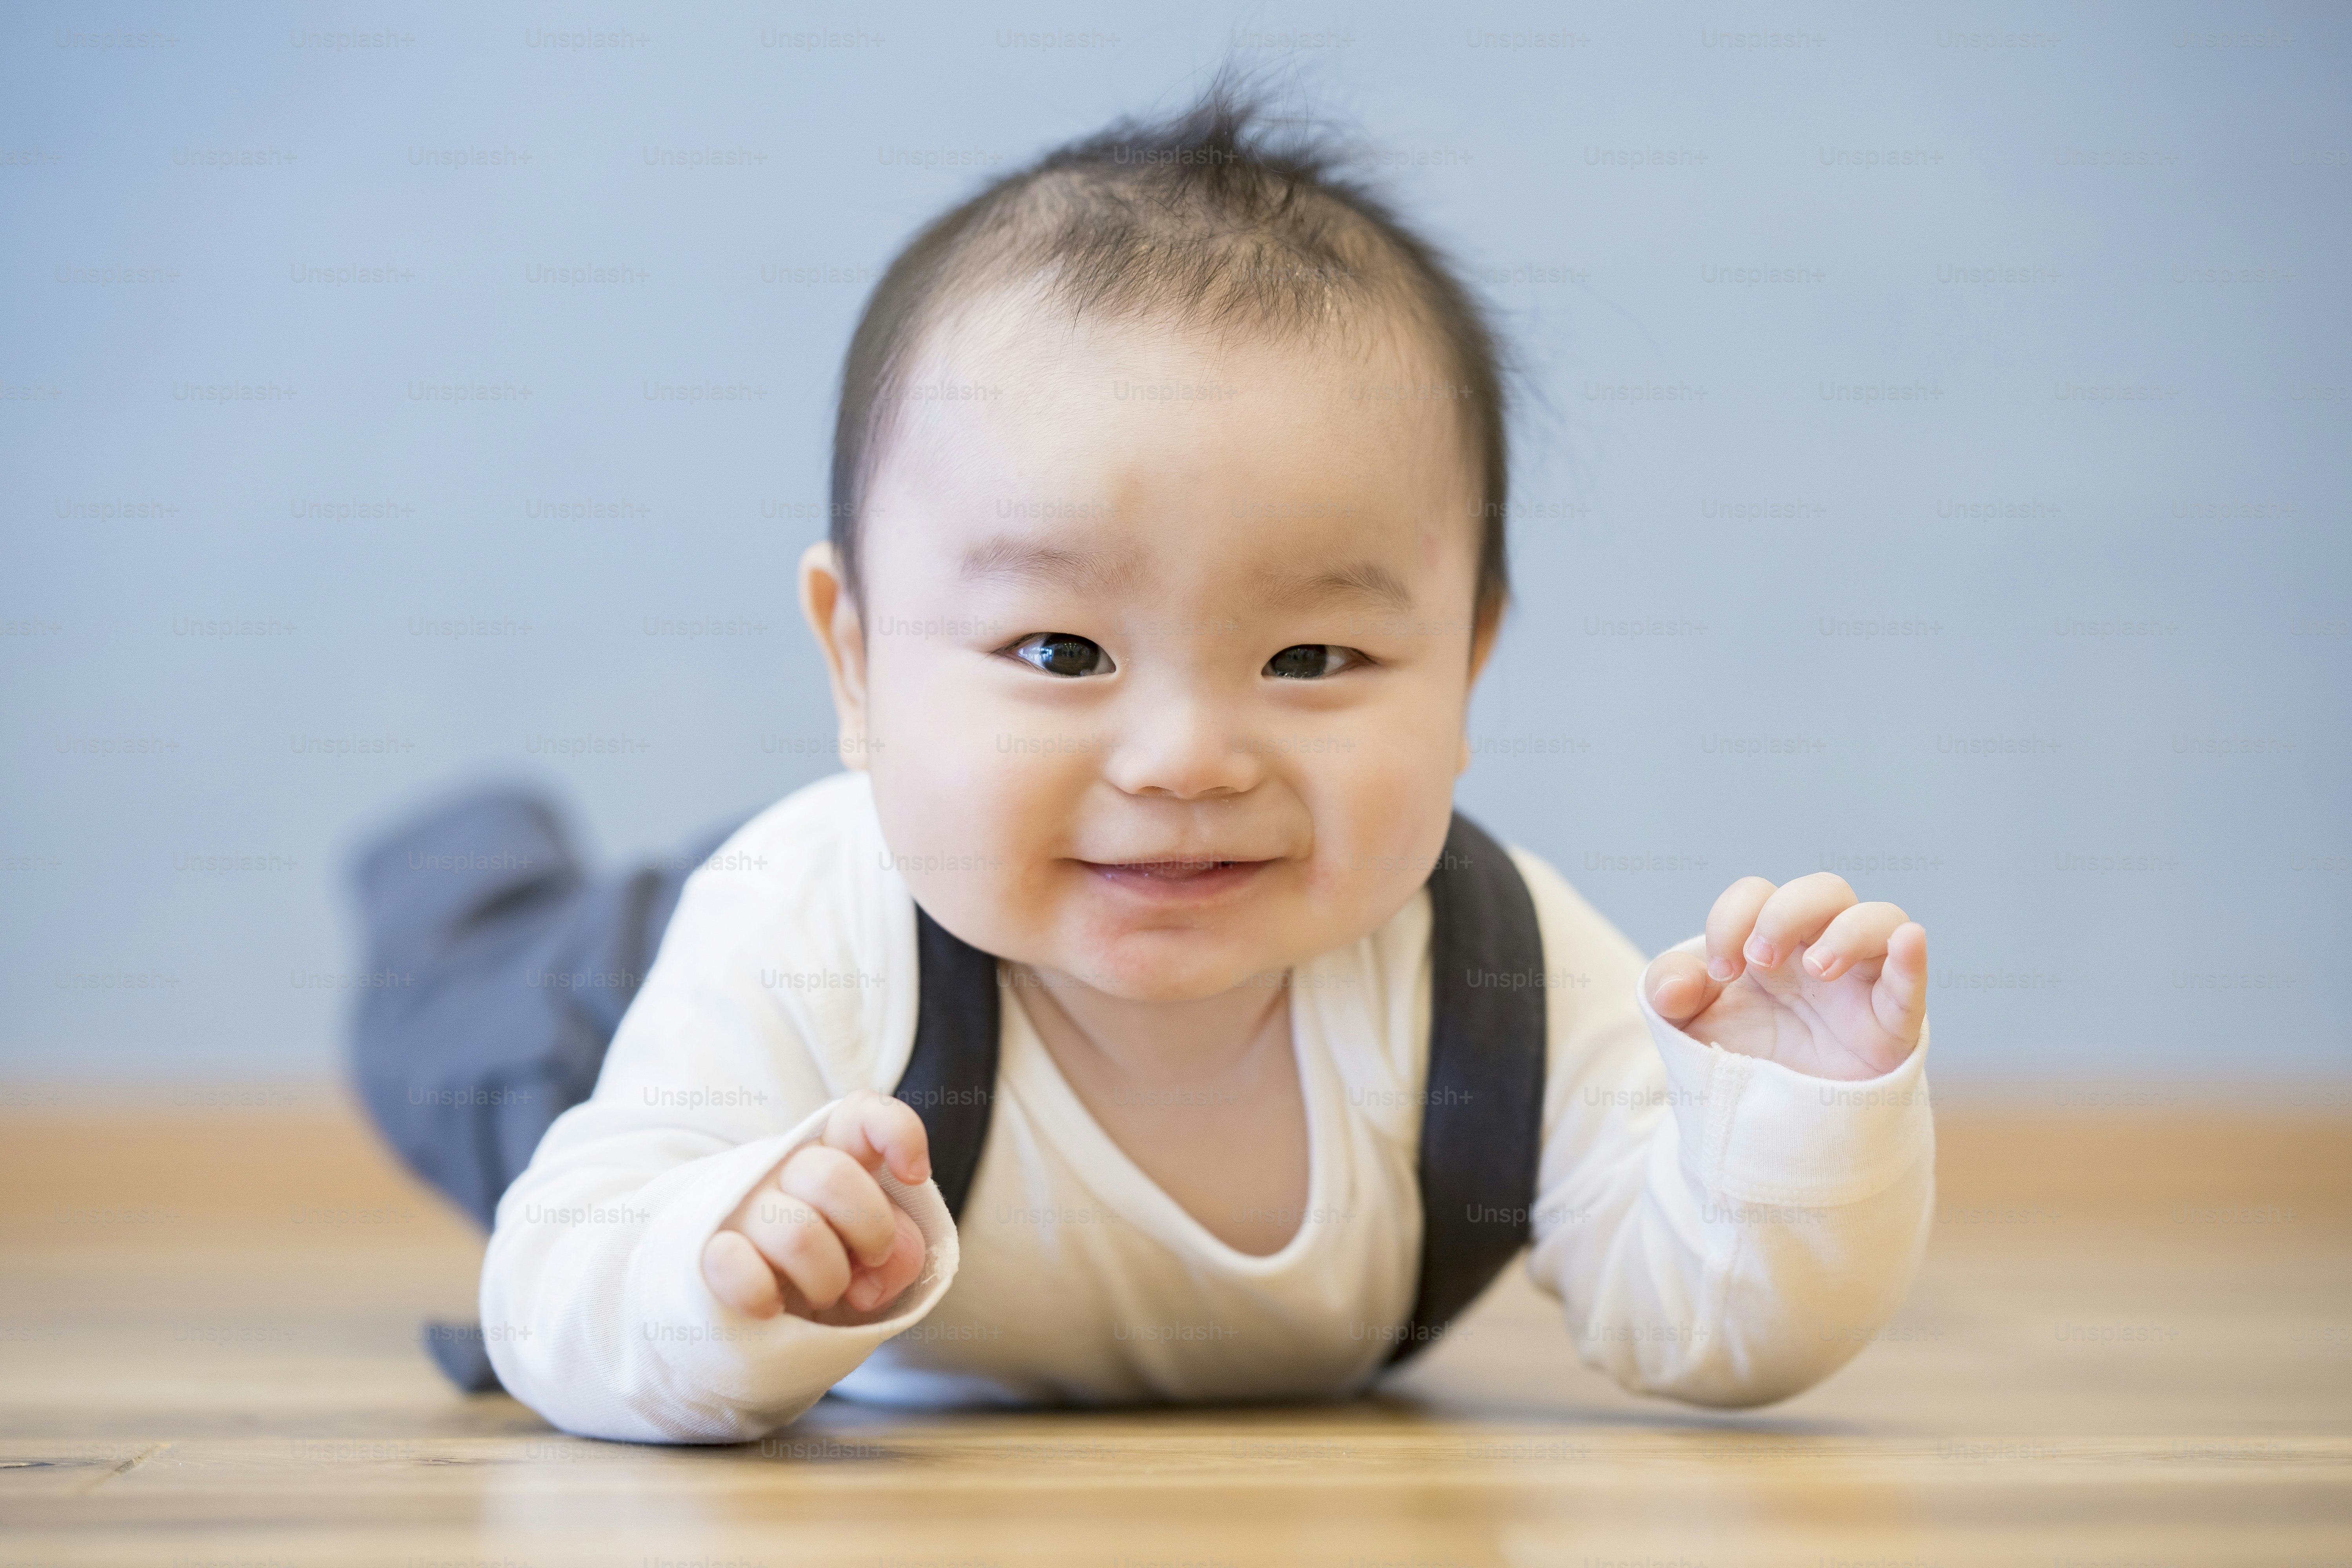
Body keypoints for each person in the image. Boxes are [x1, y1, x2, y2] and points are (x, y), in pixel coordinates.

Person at [357, 87, 1936, 1443]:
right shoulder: (795, 928)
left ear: (1471, 662)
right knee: (463, 1014)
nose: (1185, 757)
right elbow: (559, 1275)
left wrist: (1790, 1130)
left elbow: (1711, 1319)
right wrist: (711, 1265)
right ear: (856, 657)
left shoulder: (1499, 979)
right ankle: (462, 871)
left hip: (928, 884)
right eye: (1061, 654)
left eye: (1311, 659)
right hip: (640, 993)